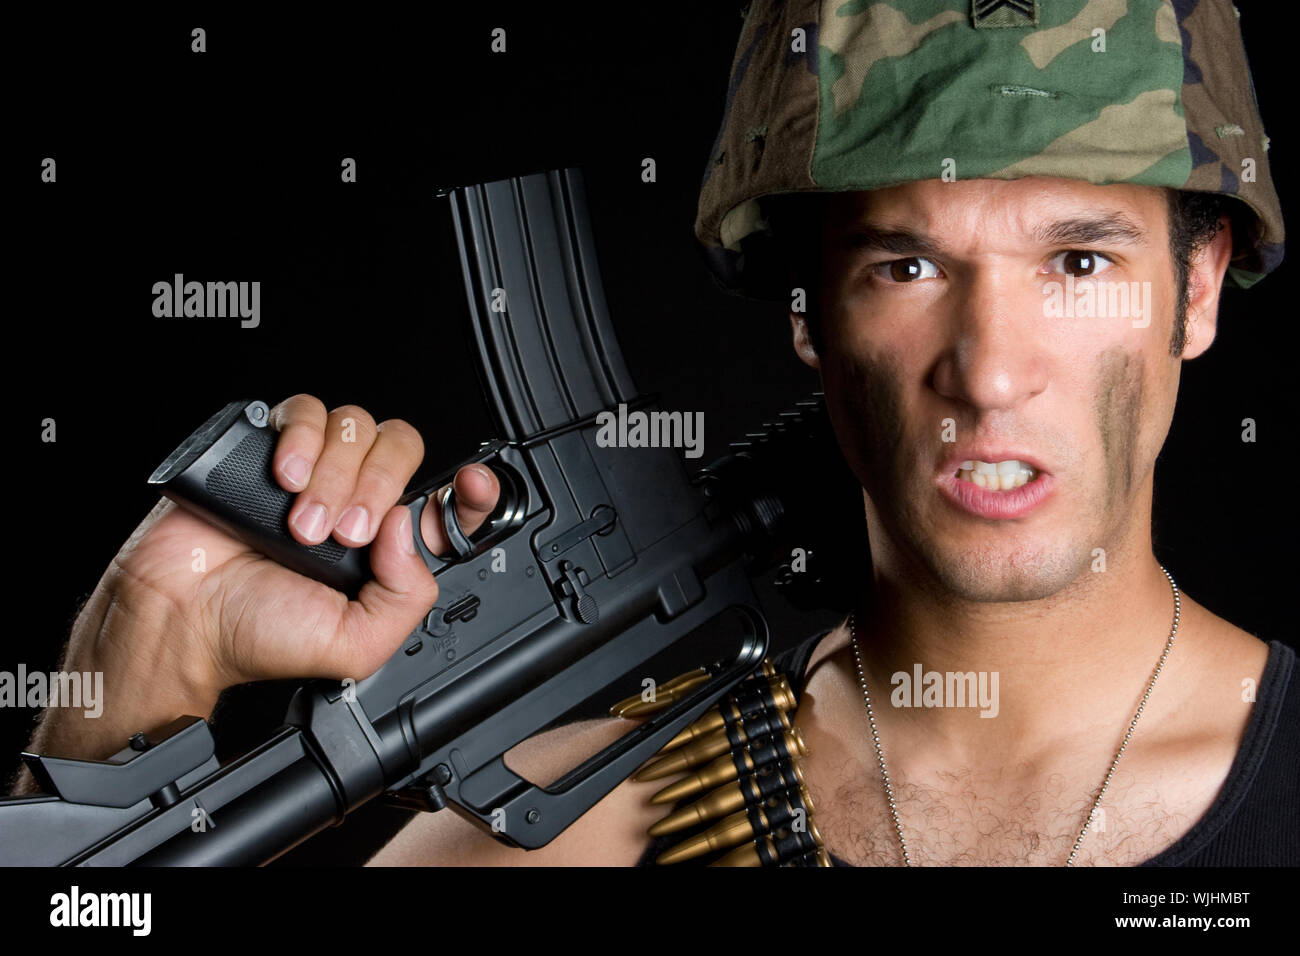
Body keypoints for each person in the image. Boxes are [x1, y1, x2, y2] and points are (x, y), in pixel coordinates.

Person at [11, 0, 1297, 866]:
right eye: (904, 266)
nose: (990, 369)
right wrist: (145, 649)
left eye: (1078, 261)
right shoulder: (587, 824)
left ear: (1193, 289)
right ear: (809, 314)